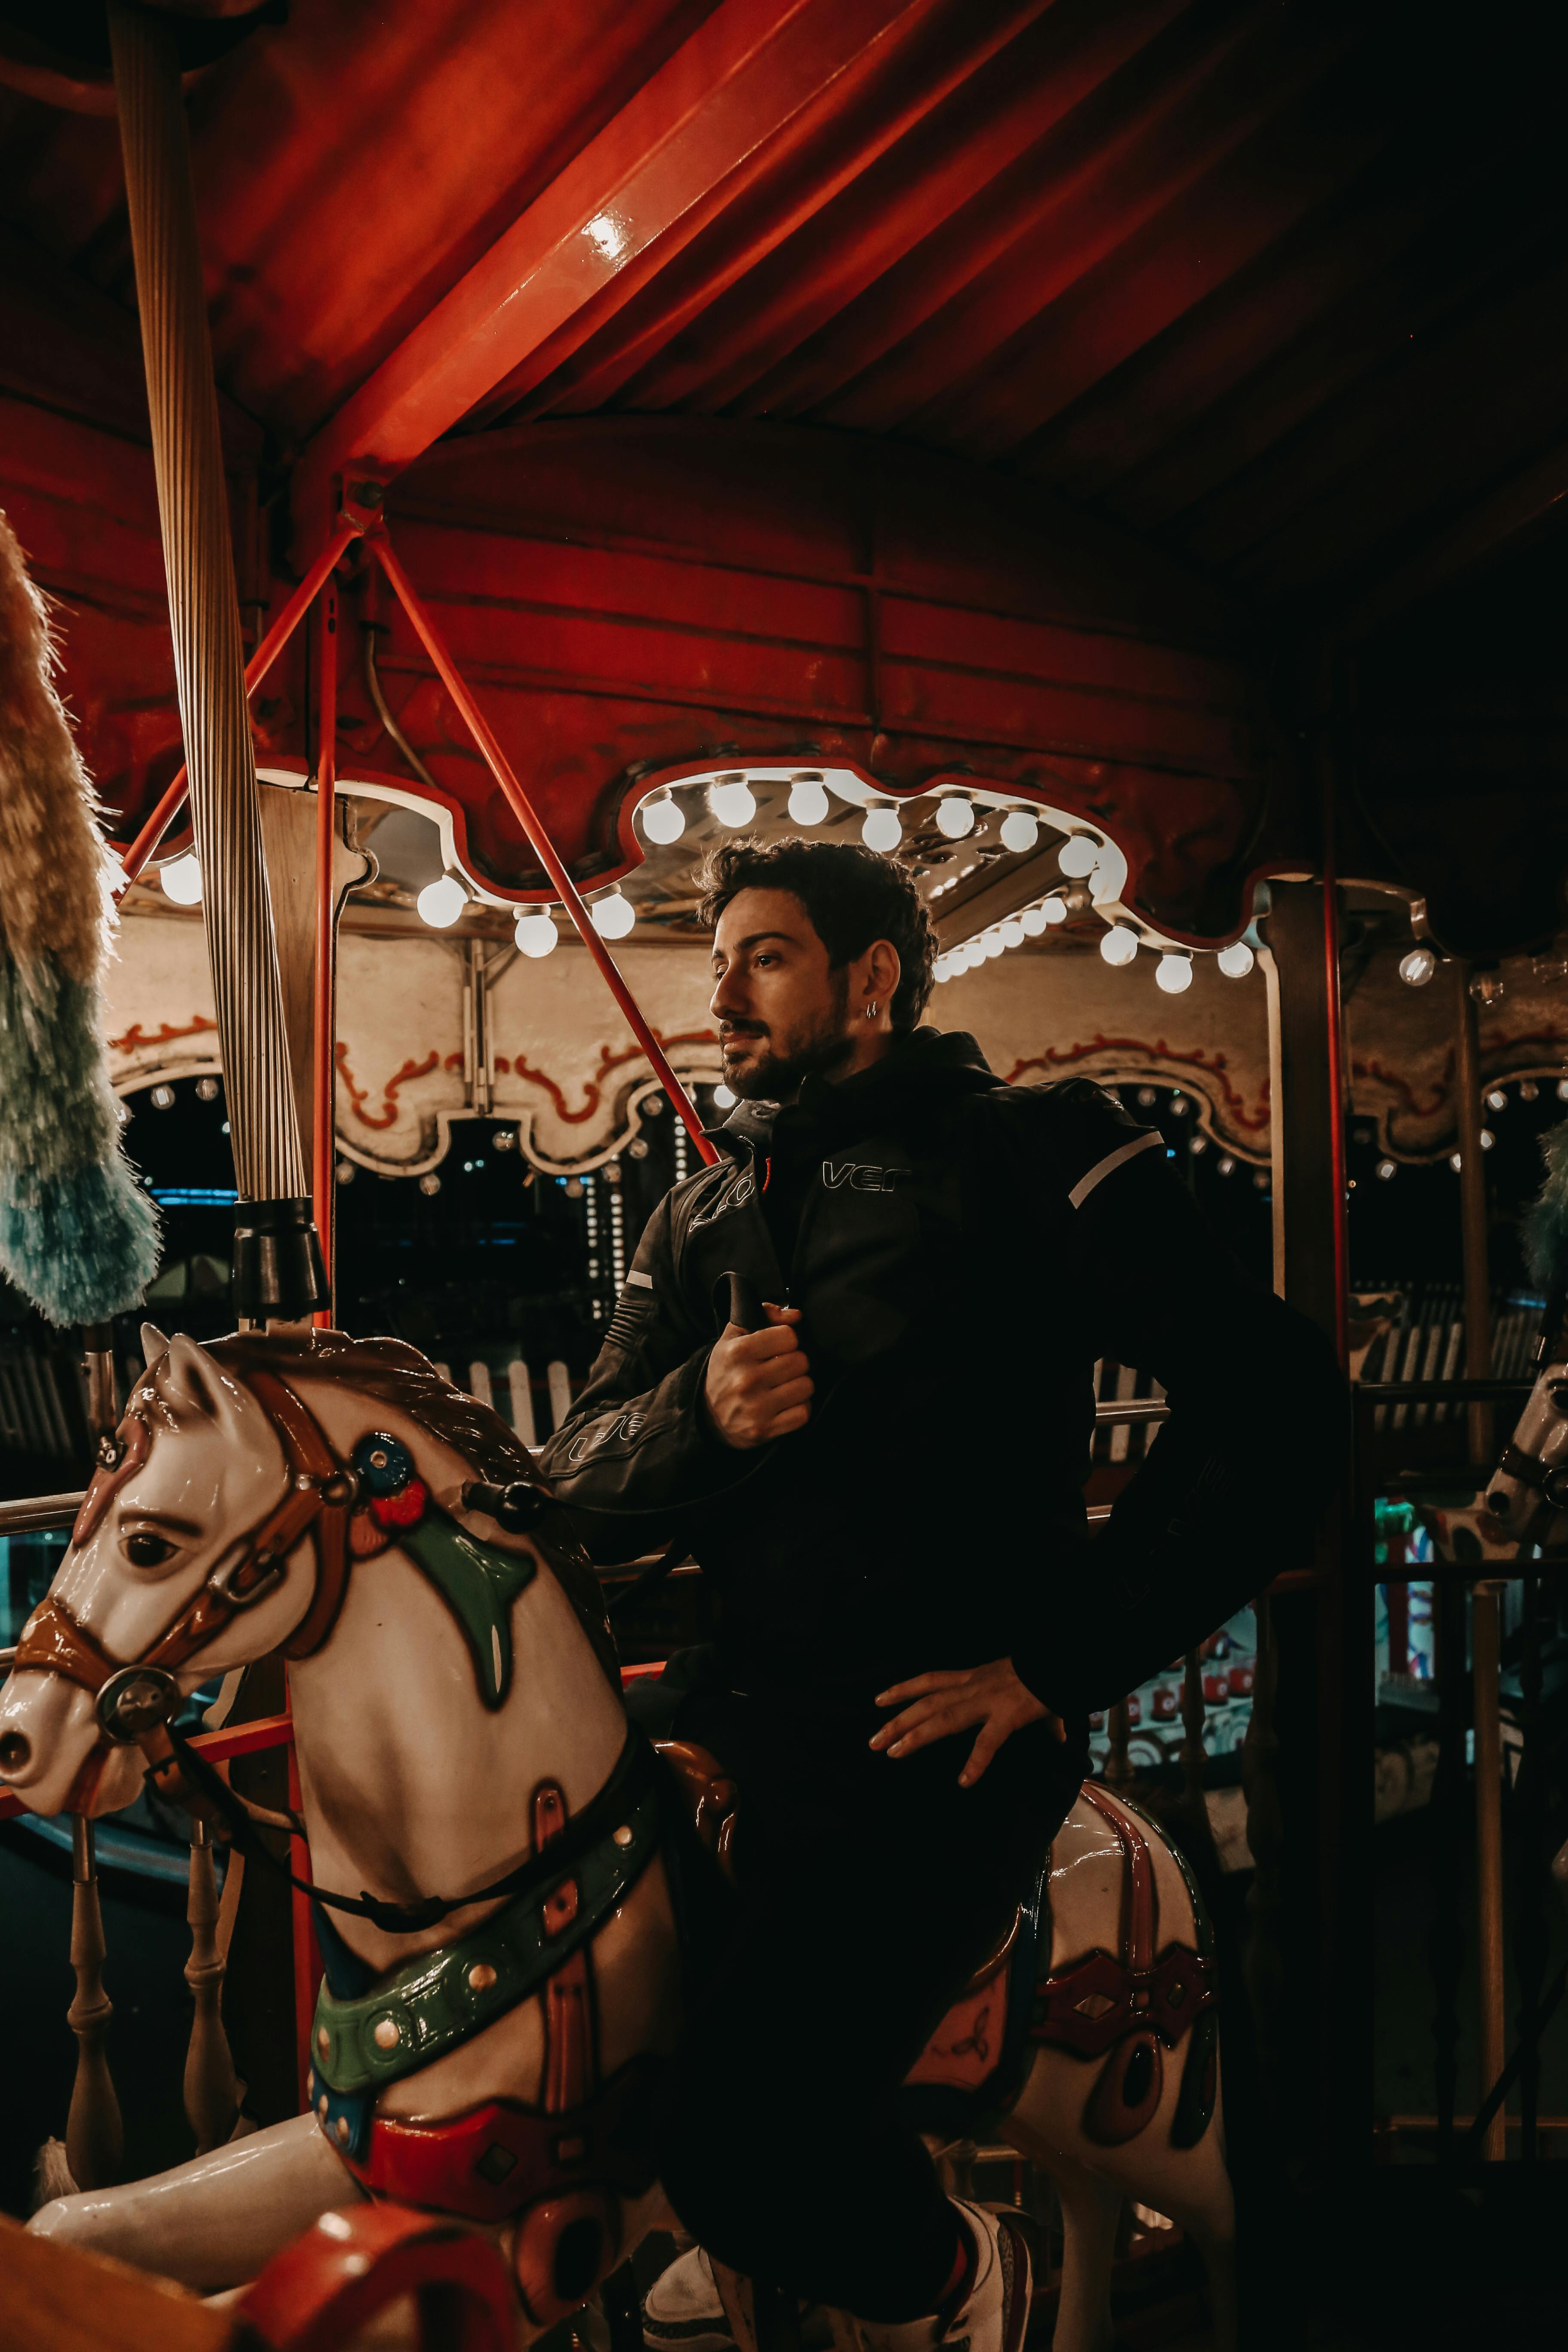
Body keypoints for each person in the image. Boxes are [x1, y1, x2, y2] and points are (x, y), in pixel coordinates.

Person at [537, 836, 1343, 2352]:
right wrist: (696, 1417)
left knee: (740, 2142)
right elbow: (571, 1478)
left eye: (762, 956)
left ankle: (977, 2285)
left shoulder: (1037, 1150)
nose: (722, 988)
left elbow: (1276, 1406)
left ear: (874, 979)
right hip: (729, 1719)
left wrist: (1056, 1661)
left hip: (931, 1743)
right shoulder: (701, 1214)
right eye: (716, 962)